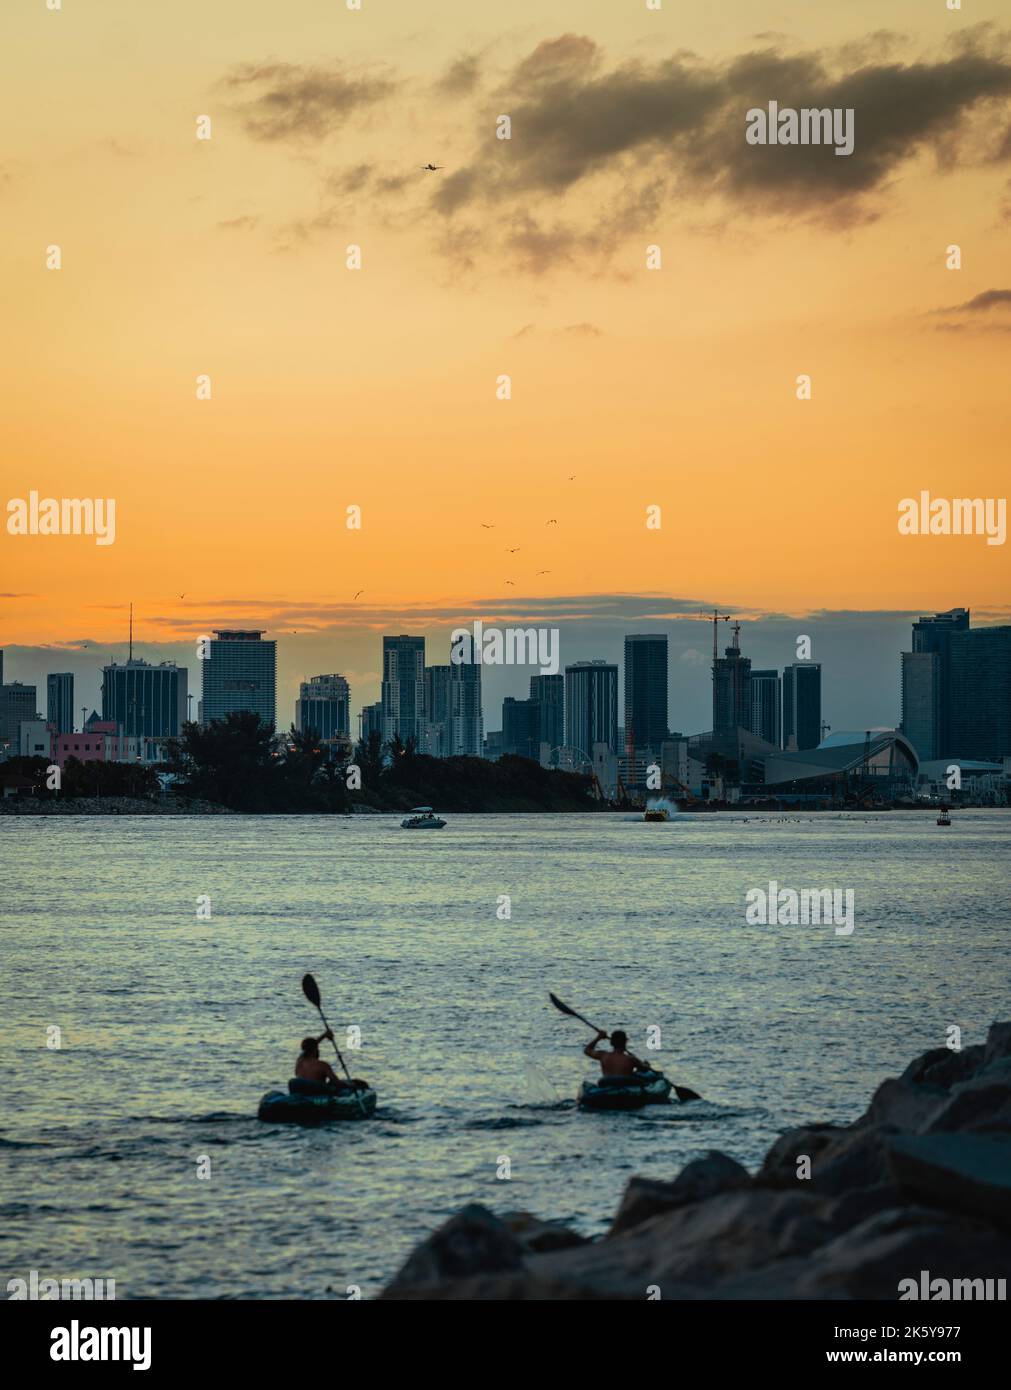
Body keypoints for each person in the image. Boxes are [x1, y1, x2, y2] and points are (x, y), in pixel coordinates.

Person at [294, 1032, 366, 1093]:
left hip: (303, 1093)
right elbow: (336, 1082)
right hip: (318, 1095)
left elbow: (309, 1048)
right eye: (318, 1049)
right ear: (315, 1050)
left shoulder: (299, 1062)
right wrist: (351, 1086)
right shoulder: (322, 1065)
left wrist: (324, 1036)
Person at [583, 1029, 650, 1078]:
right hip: (624, 1089)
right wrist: (646, 1064)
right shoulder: (631, 1059)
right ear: (625, 1042)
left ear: (611, 1043)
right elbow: (645, 1069)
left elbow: (587, 1050)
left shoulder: (603, 1055)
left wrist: (598, 1038)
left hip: (607, 1087)